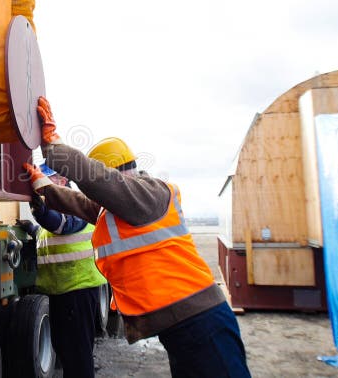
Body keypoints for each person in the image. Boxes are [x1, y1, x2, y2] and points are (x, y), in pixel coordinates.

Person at [23, 97, 251, 378]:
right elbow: (81, 204)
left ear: (115, 173)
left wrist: (53, 147)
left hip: (202, 324)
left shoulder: (149, 193)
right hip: (183, 327)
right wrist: (43, 187)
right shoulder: (121, 208)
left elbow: (97, 180)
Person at [23, 163, 107, 378]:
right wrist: (32, 229)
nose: (42, 187)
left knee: (77, 354)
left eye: (46, 181)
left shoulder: (74, 203)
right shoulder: (59, 208)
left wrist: (39, 211)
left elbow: (62, 225)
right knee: (66, 349)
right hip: (64, 290)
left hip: (77, 289)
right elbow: (50, 234)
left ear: (61, 180)